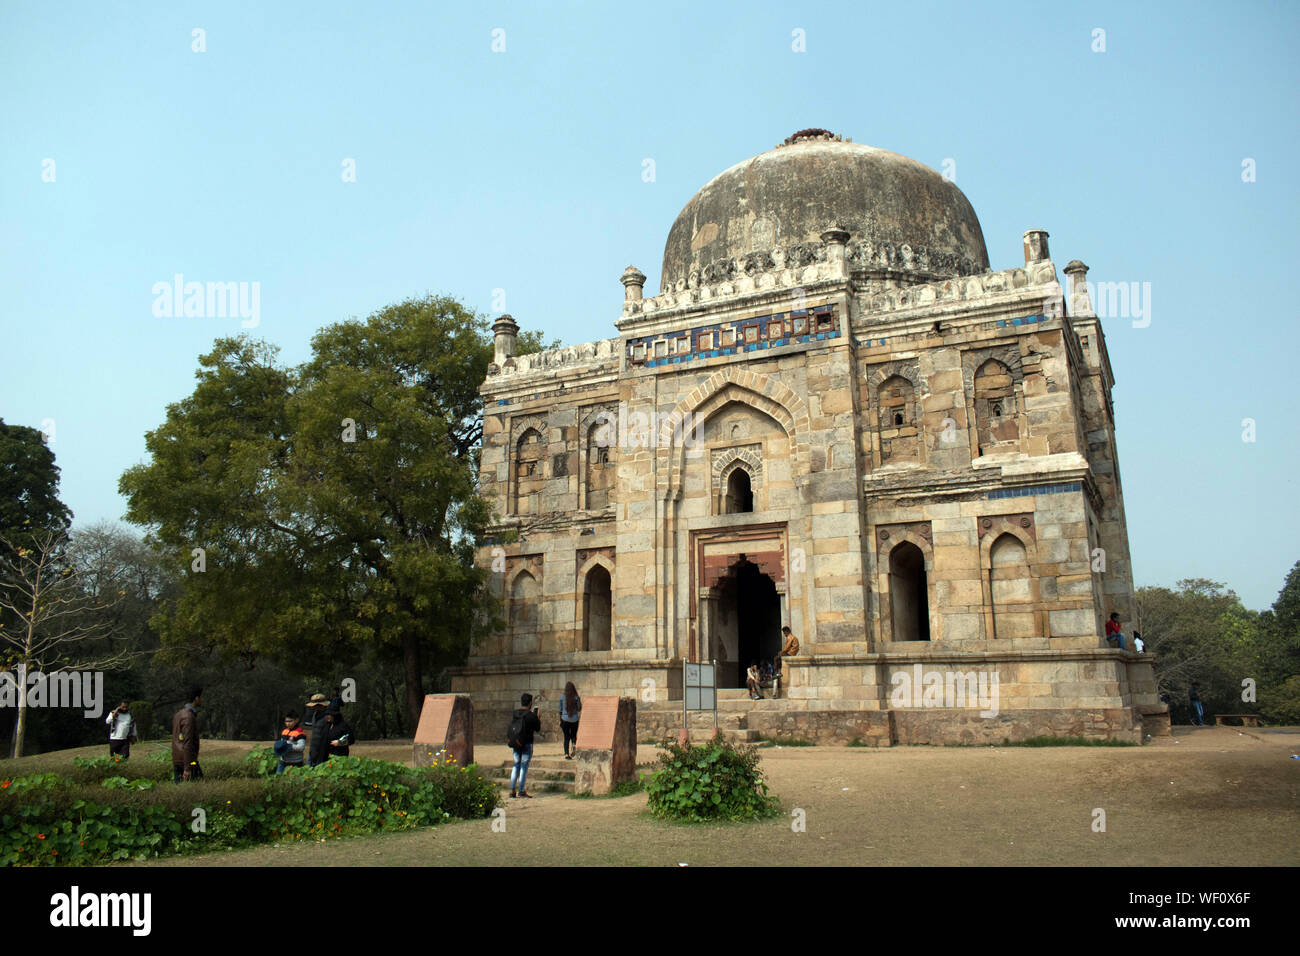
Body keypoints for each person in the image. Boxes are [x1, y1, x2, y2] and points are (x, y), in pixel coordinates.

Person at [507, 693, 542, 798]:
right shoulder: (531, 716)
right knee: (523, 766)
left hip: (516, 742)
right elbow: (537, 728)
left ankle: (512, 789)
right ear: (530, 703)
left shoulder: (515, 713)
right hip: (527, 743)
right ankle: (521, 790)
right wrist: (538, 718)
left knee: (516, 764)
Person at [171, 687, 203, 783]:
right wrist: (187, 768)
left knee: (179, 789)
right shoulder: (189, 717)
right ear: (196, 698)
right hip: (187, 760)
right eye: (201, 697)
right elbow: (187, 742)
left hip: (178, 759)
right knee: (199, 784)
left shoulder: (178, 714)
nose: (202, 700)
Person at [559, 681, 582, 760]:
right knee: (573, 735)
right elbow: (579, 709)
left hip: (565, 719)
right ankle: (574, 744)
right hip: (574, 720)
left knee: (566, 737)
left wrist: (560, 720)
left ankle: (566, 754)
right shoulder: (576, 697)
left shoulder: (562, 697)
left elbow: (560, 710)